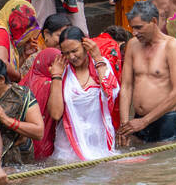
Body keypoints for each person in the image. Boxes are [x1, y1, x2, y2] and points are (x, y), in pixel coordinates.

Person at [45, 26, 120, 160]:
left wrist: (97, 58)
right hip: (68, 148)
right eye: (66, 53)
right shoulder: (62, 72)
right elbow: (56, 114)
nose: (71, 57)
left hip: (99, 143)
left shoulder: (101, 64)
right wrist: (56, 76)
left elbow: (111, 94)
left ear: (85, 45)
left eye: (74, 51)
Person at [116, 1, 176, 146]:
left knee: (162, 166)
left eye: (139, 27)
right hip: (136, 121)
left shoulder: (172, 46)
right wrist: (124, 125)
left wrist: (144, 121)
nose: (134, 33)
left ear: (154, 21)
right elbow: (126, 86)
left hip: (164, 120)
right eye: (132, 28)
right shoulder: (133, 45)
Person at [0, 55, 44, 164]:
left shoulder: (21, 96)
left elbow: (38, 132)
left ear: (1, 79)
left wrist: (7, 120)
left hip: (18, 163)